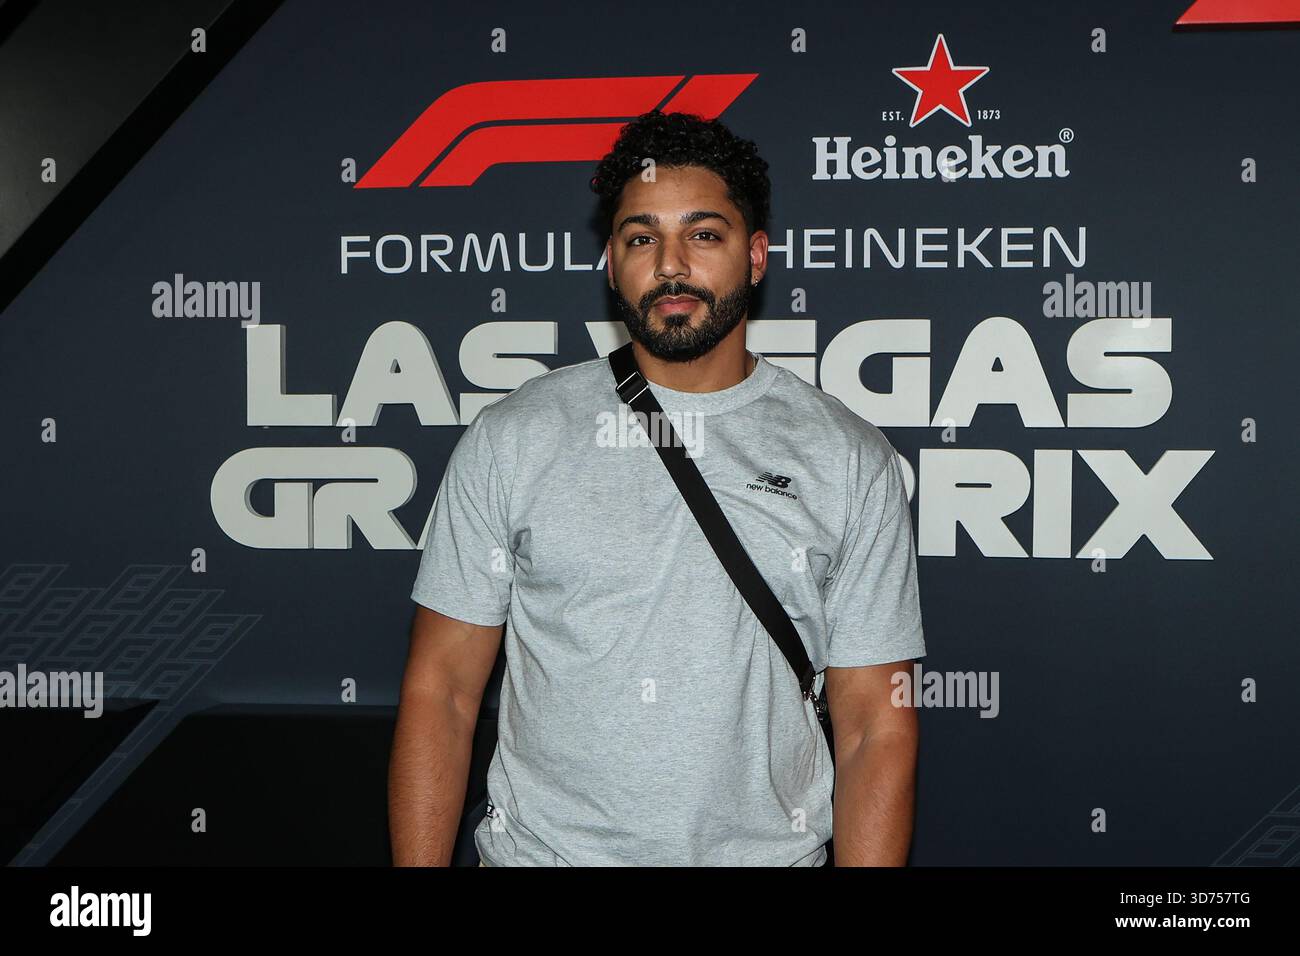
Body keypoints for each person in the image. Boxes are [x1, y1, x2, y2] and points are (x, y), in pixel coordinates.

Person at [388, 109, 926, 867]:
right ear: (612, 263)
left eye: (704, 235)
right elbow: (441, 692)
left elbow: (878, 726)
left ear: (757, 256)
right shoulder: (514, 437)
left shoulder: (847, 458)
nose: (671, 265)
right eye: (642, 238)